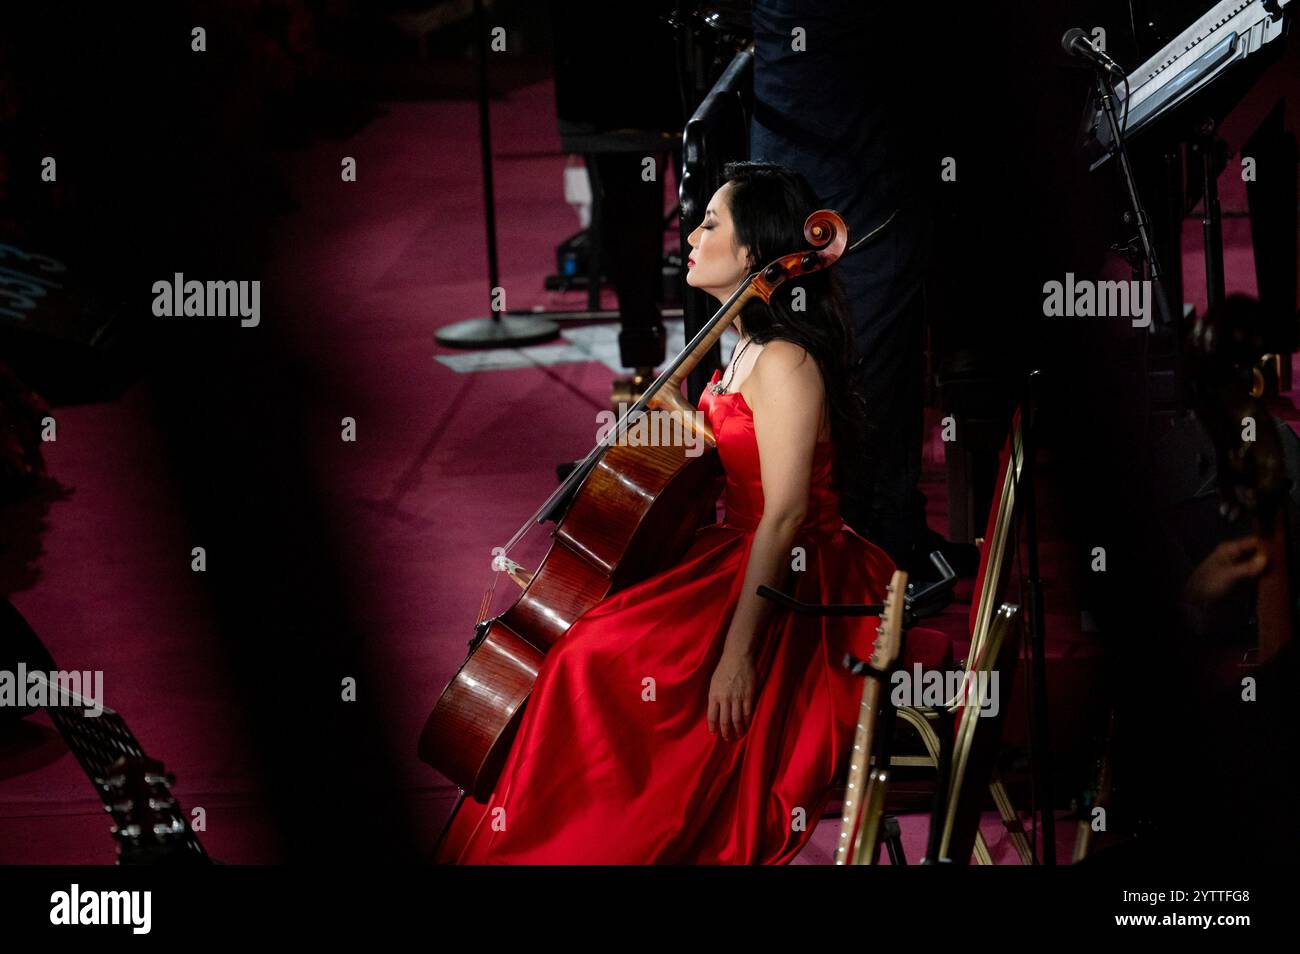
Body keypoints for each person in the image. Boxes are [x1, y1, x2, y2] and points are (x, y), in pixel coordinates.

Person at [433, 163, 896, 864]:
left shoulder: (786, 363)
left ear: (753, 254)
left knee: (589, 659)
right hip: (734, 553)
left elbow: (786, 513)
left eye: (712, 223)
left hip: (792, 577)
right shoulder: (739, 351)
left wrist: (737, 656)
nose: (693, 234)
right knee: (584, 645)